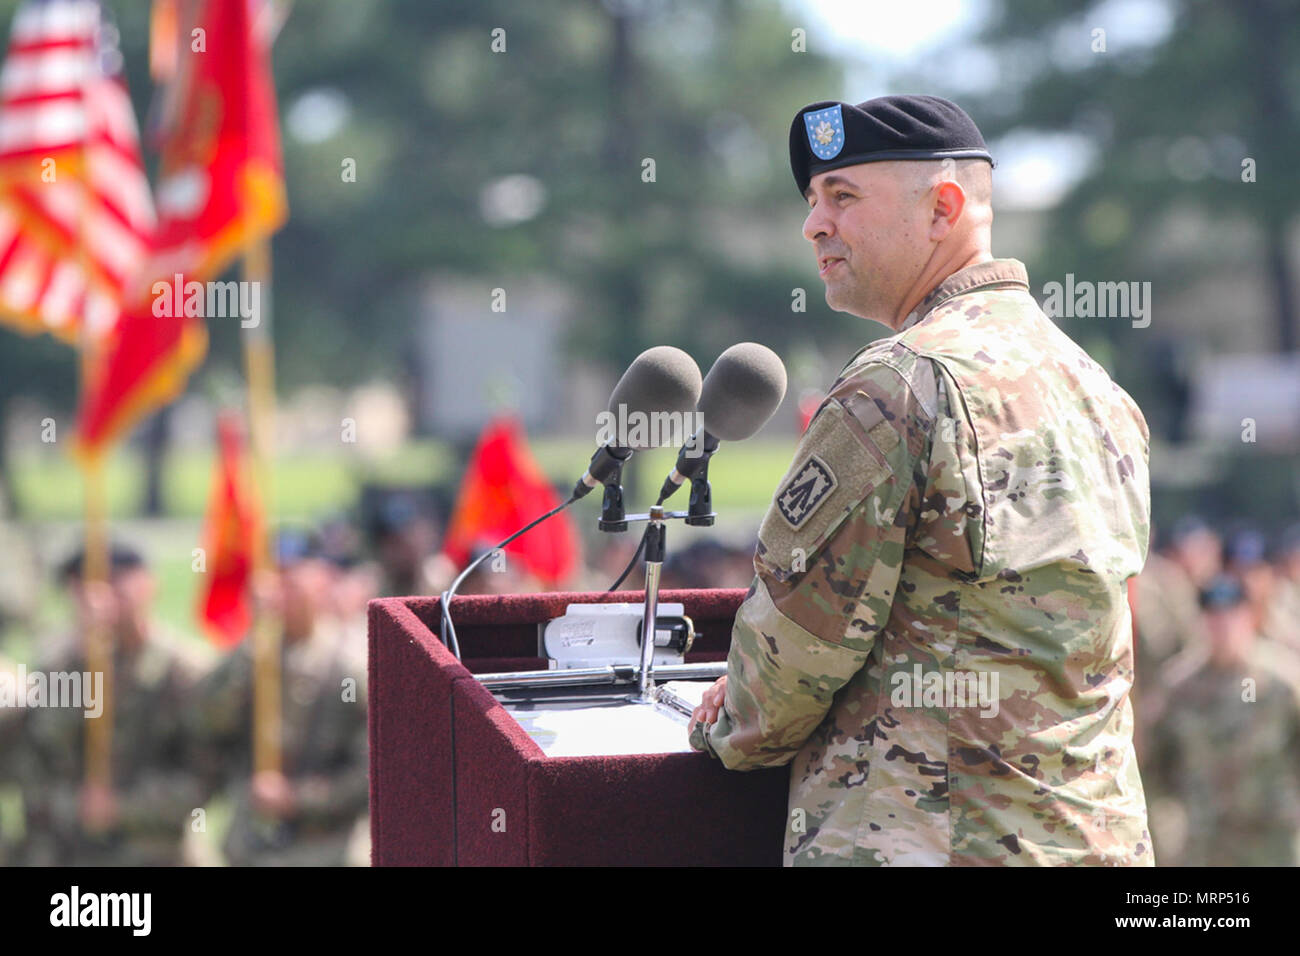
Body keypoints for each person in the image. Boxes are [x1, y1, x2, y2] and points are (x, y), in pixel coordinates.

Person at [689, 95, 1153, 865]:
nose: (814, 226)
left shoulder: (898, 387)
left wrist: (715, 721)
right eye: (812, 201)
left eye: (843, 196)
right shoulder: (1101, 392)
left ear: (943, 209)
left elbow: (790, 663)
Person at [11, 543, 210, 865]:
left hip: (155, 852)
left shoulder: (183, 669)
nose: (96, 599)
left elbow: (204, 778)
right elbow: (44, 746)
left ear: (146, 585)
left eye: (114, 583)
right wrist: (80, 658)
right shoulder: (60, 664)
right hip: (68, 853)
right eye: (81, 588)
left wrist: (122, 806)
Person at [194, 529, 368, 865]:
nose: (280, 593)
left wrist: (297, 798)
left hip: (331, 848)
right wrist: (249, 648)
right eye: (274, 579)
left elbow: (370, 773)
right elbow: (206, 723)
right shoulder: (250, 659)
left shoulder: (353, 663)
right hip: (252, 848)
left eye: (292, 580)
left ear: (322, 580)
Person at [1144, 575, 1300, 865]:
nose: (1223, 627)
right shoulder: (1179, 686)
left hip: (1271, 839)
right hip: (1205, 841)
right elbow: (1155, 765)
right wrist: (1166, 826)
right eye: (1214, 618)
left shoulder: (1280, 681)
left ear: (1250, 617)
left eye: (1231, 617)